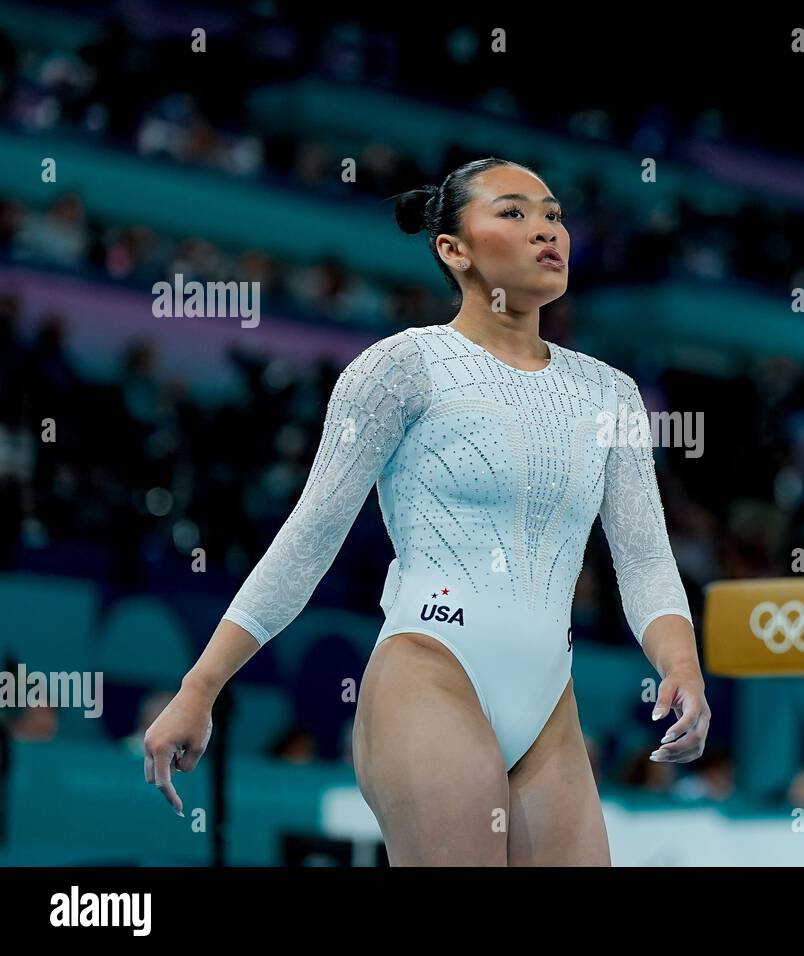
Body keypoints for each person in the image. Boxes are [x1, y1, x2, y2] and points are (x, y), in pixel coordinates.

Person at [143, 158, 710, 865]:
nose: (545, 230)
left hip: (548, 707)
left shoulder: (612, 395)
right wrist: (200, 686)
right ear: (454, 249)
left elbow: (645, 555)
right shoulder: (402, 367)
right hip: (430, 676)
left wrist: (680, 661)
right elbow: (309, 537)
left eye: (554, 214)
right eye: (513, 213)